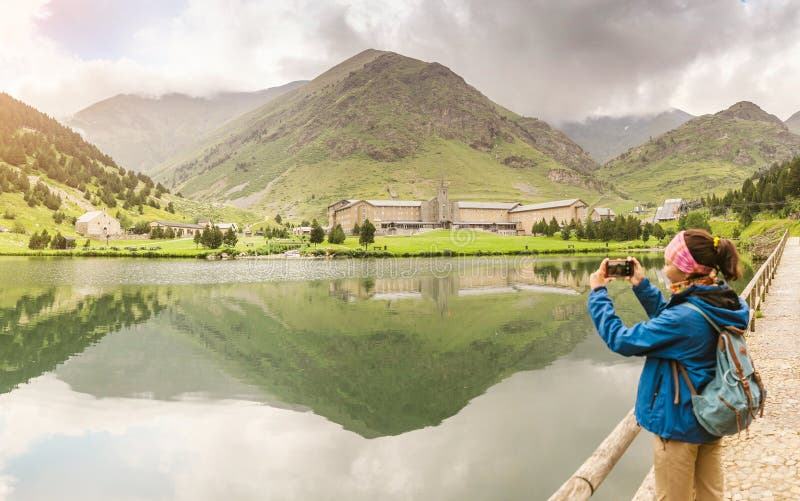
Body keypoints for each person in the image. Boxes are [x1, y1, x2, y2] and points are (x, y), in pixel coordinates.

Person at [587, 229, 749, 501]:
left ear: (687, 271)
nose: (663, 268)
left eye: (668, 263)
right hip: (709, 415)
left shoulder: (685, 316)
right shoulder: (720, 298)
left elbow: (622, 340)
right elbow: (677, 323)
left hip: (679, 423)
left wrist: (598, 294)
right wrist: (642, 286)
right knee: (710, 495)